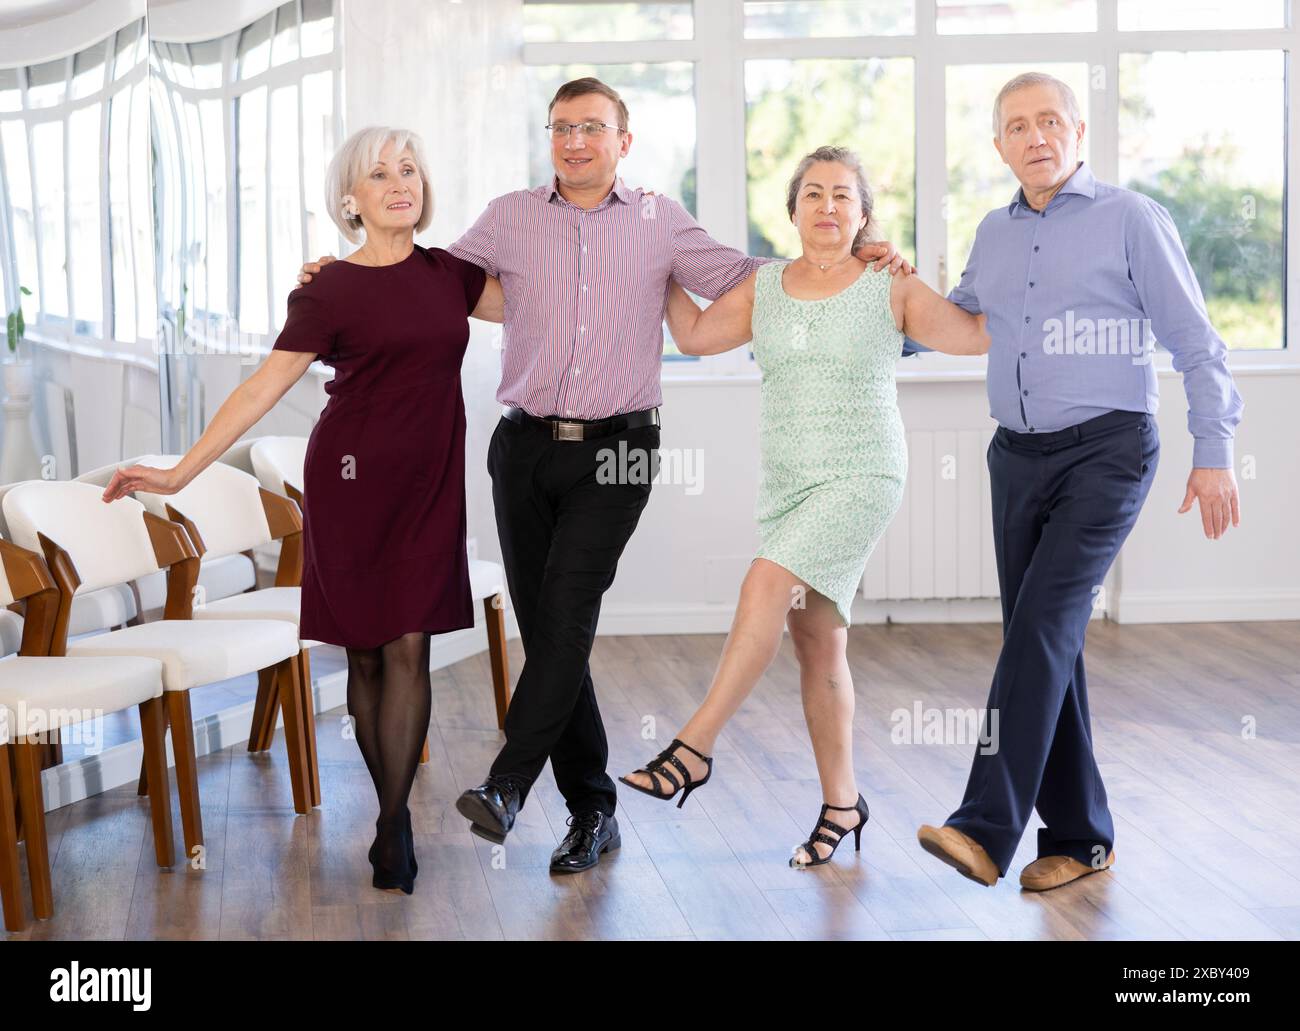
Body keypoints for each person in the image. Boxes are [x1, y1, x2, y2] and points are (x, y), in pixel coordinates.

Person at [297, 78, 912, 874]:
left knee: (569, 610)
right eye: (561, 128)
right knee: (556, 631)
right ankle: (594, 810)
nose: (576, 141)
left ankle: (509, 785)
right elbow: (420, 273)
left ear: (624, 141)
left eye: (593, 127)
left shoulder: (660, 219)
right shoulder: (510, 217)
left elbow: (751, 276)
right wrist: (339, 271)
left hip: (618, 452)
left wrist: (850, 250)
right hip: (521, 450)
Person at [102, 126, 504, 896]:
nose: (400, 184)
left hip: (429, 489)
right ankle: (394, 822)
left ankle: (392, 825)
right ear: (349, 200)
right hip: (350, 487)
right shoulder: (327, 290)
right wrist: (181, 470)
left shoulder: (451, 274)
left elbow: (539, 299)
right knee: (364, 652)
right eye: (380, 173)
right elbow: (263, 387)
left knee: (409, 648)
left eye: (410, 169)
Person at [913, 72, 1244, 891]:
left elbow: (1196, 342)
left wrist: (1216, 449)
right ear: (999, 146)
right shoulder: (992, 231)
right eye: (1017, 126)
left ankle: (984, 827)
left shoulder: (1130, 219)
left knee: (1039, 629)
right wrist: (885, 296)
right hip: (1015, 457)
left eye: (1050, 121)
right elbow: (960, 323)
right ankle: (1082, 837)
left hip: (1108, 450)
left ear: (1080, 130)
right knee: (1045, 638)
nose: (1036, 136)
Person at [618, 146, 989, 866]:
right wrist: (656, 267)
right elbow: (693, 336)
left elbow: (975, 336)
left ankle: (692, 748)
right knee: (819, 646)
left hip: (862, 474)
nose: (826, 207)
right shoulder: (766, 286)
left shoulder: (892, 285)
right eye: (812, 194)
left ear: (863, 214)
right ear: (791, 211)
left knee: (763, 581)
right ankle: (842, 804)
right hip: (788, 482)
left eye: (842, 196)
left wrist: (1029, 283)